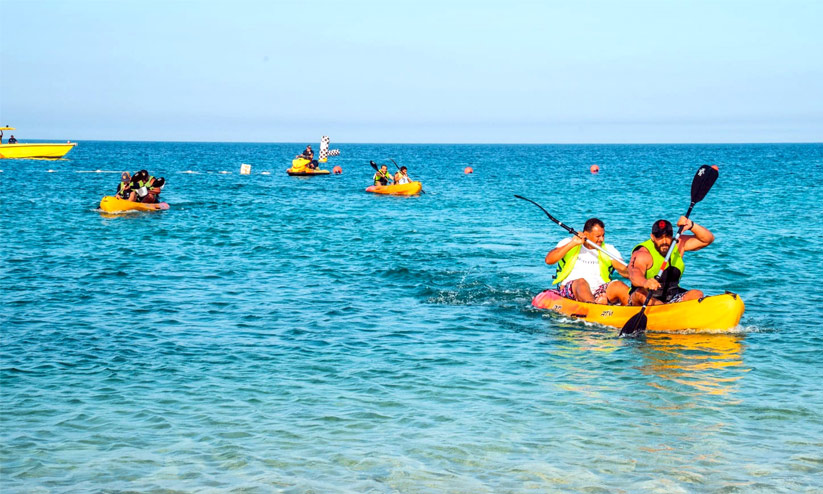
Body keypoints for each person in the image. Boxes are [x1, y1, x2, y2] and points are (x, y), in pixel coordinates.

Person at [627, 218, 715, 305]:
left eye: (668, 236)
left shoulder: (678, 244)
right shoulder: (642, 253)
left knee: (696, 294)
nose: (664, 241)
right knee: (639, 293)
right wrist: (645, 282)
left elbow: (707, 239)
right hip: (645, 300)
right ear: (652, 237)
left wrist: (691, 225)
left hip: (671, 297)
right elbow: (634, 273)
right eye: (660, 237)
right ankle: (662, 311)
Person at [545, 218, 630, 305]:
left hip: (600, 291)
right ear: (586, 234)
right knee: (581, 282)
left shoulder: (609, 249)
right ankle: (594, 306)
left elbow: (622, 269)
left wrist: (637, 274)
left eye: (603, 235)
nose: (601, 239)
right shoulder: (568, 242)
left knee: (618, 285)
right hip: (573, 288)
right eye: (598, 236)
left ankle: (634, 309)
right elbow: (549, 260)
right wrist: (572, 243)